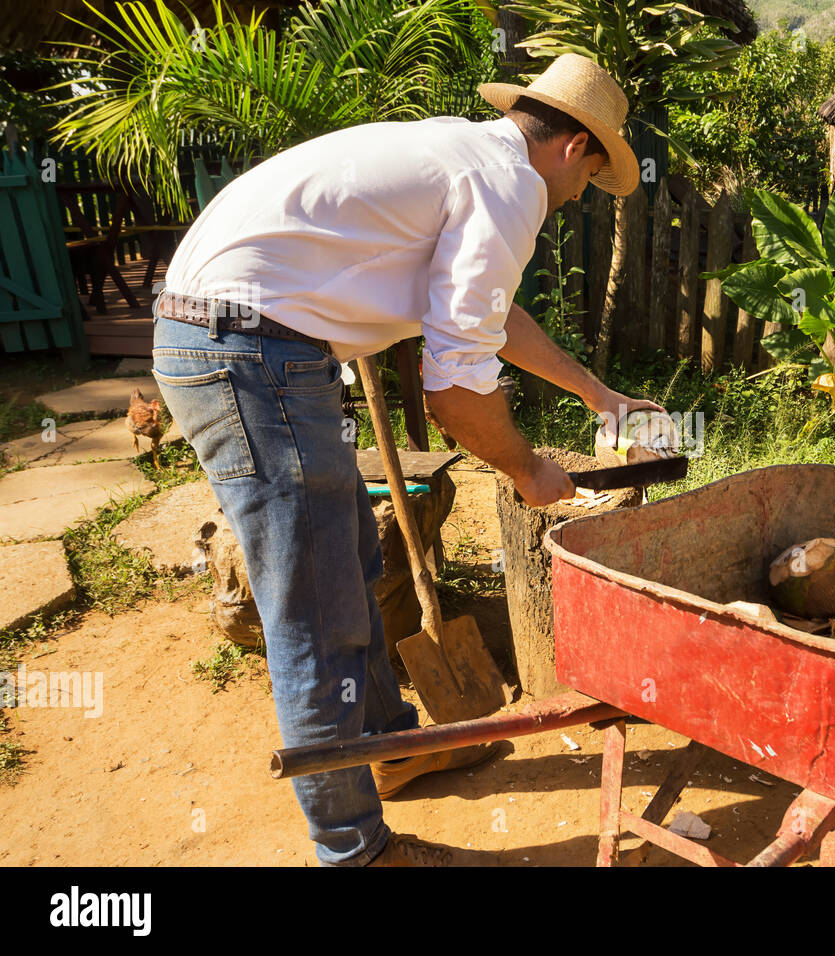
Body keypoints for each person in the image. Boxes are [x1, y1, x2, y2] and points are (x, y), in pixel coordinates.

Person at [152, 53, 660, 866]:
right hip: (247, 349)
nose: (575, 198)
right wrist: (528, 470)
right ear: (574, 147)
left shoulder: (469, 156)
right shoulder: (511, 185)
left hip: (250, 340)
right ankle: (356, 852)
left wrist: (599, 395)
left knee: (350, 558)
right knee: (316, 612)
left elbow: (488, 318)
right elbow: (454, 397)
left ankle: (390, 745)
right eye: (588, 178)